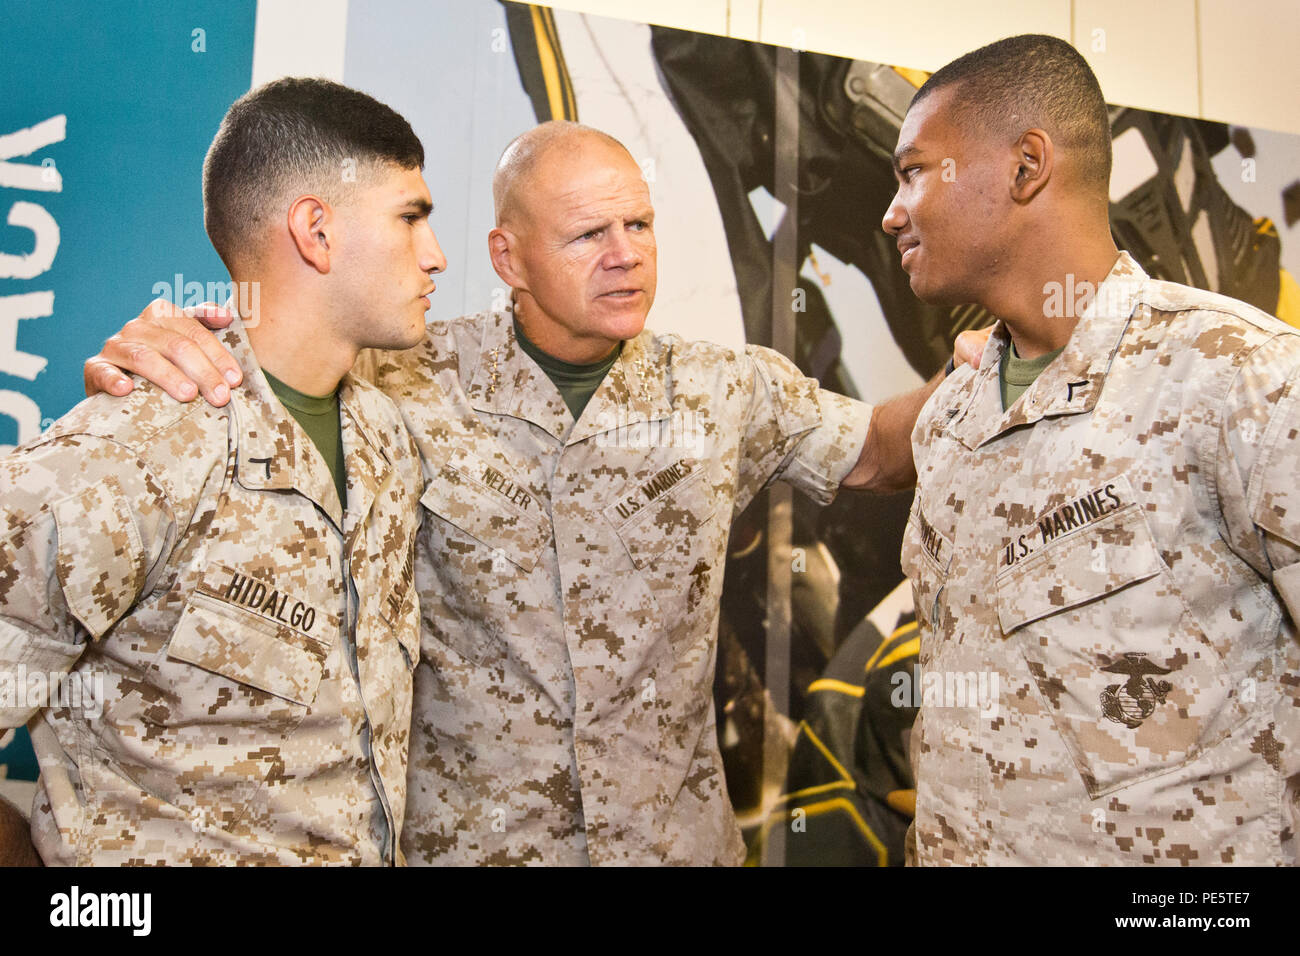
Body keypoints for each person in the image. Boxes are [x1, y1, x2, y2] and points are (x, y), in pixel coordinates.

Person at [82, 119, 978, 865]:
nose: (625, 256)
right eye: (590, 235)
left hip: (675, 851)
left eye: (640, 225)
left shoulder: (725, 389)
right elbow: (274, 352)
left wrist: (986, 357)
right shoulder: (398, 382)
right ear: (507, 257)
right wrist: (159, 351)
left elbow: (881, 450)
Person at [0, 77, 442, 865]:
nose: (435, 257)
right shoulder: (136, 446)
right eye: (411, 219)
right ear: (316, 230)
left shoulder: (386, 439)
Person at [882, 34, 1299, 864]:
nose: (893, 211)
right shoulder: (950, 419)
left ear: (1026, 166)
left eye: (915, 171)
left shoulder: (1239, 379)